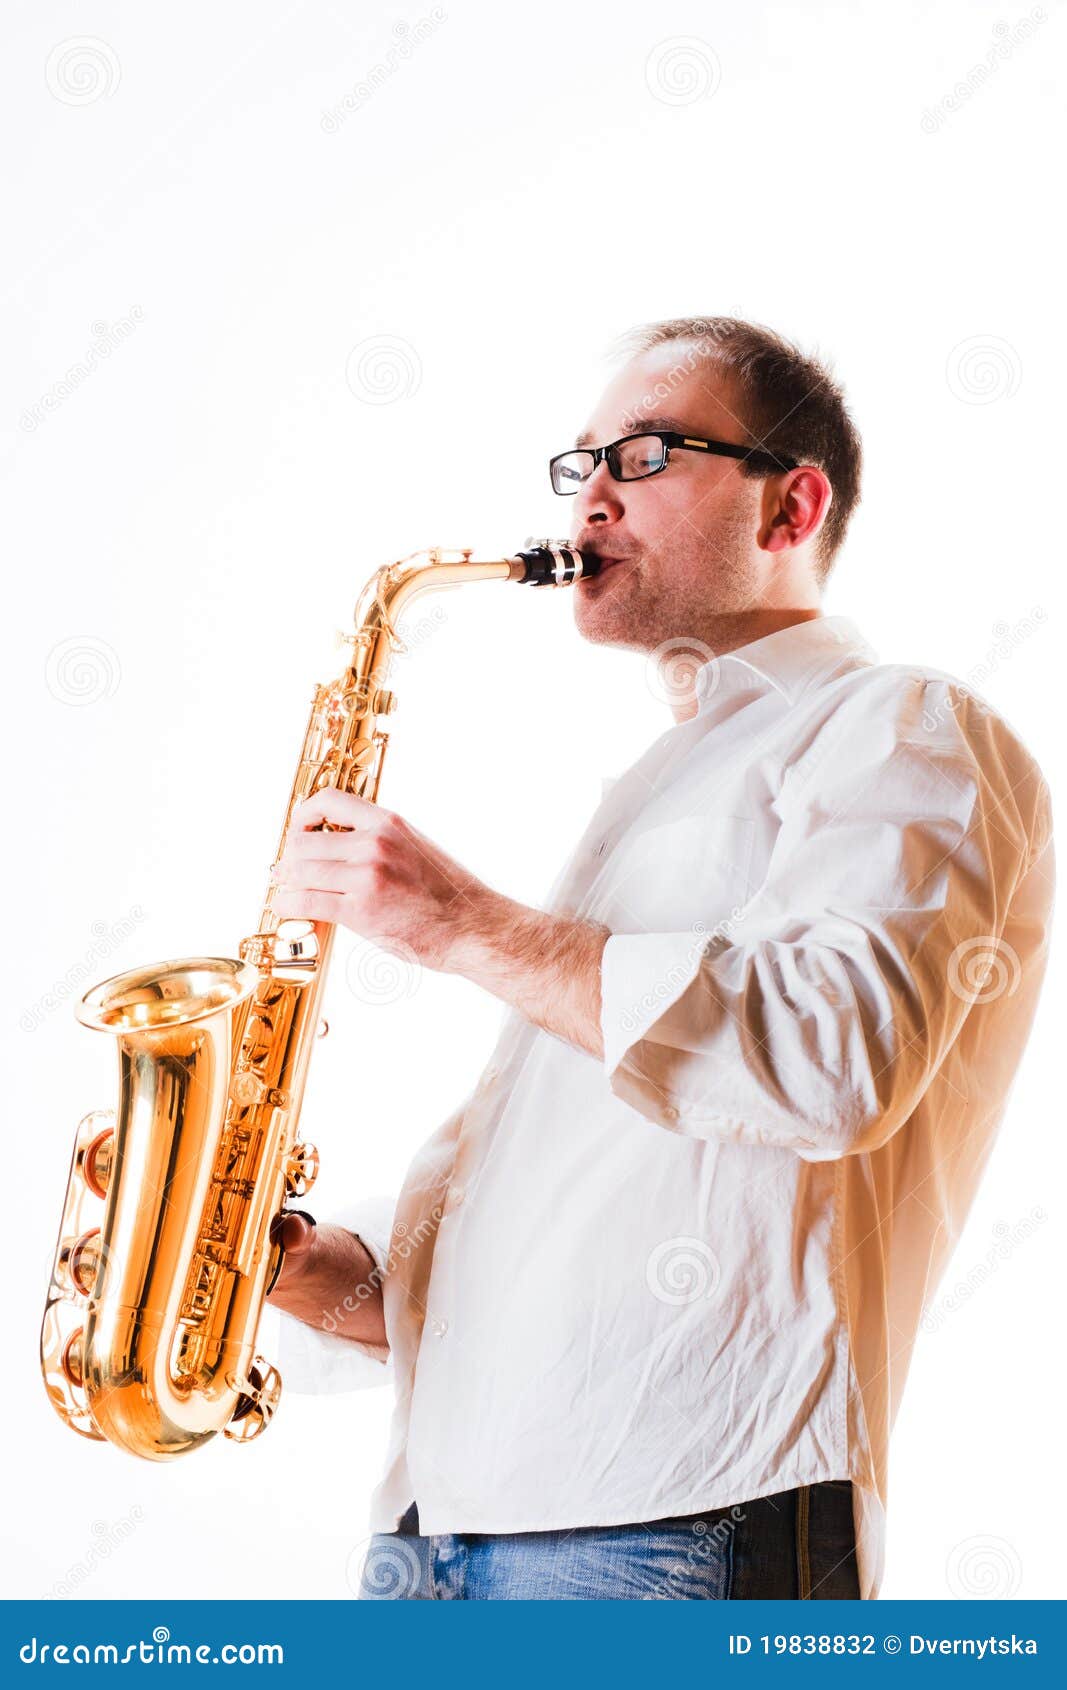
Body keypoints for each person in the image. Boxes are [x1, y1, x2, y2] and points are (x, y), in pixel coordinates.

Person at [266, 316, 1054, 1601]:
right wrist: (321, 1270)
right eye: (576, 465)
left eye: (640, 456)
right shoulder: (652, 790)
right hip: (439, 1529)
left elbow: (826, 1063)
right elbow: (566, 1207)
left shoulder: (899, 724)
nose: (588, 500)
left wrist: (464, 922)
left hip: (677, 1517)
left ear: (789, 504)